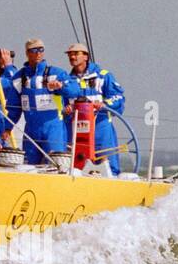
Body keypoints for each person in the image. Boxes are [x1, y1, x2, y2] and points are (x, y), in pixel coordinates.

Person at [7, 38, 82, 165]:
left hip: (54, 128)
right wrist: (6, 128)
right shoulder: (19, 78)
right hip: (31, 129)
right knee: (29, 166)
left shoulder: (56, 73)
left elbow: (75, 90)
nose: (38, 53)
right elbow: (13, 108)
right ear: (27, 53)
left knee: (57, 165)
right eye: (34, 50)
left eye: (41, 50)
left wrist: (61, 87)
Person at [63, 42, 126, 174]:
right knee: (75, 164)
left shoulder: (103, 76)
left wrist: (104, 104)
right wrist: (66, 110)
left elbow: (119, 98)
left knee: (107, 160)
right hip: (76, 128)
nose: (72, 57)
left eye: (76, 54)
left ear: (86, 56)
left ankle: (111, 179)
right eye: (70, 54)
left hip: (100, 124)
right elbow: (61, 104)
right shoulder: (67, 81)